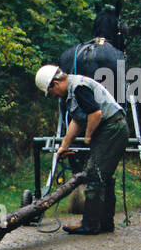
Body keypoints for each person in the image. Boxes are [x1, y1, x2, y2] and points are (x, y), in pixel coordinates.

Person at [34, 64, 128, 234]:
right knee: (103, 176)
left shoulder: (78, 88)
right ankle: (105, 223)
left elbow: (95, 114)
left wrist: (88, 137)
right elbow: (77, 121)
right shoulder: (73, 90)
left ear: (55, 83)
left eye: (51, 92)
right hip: (112, 128)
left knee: (94, 174)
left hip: (112, 128)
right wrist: (64, 146)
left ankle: (90, 224)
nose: (54, 95)